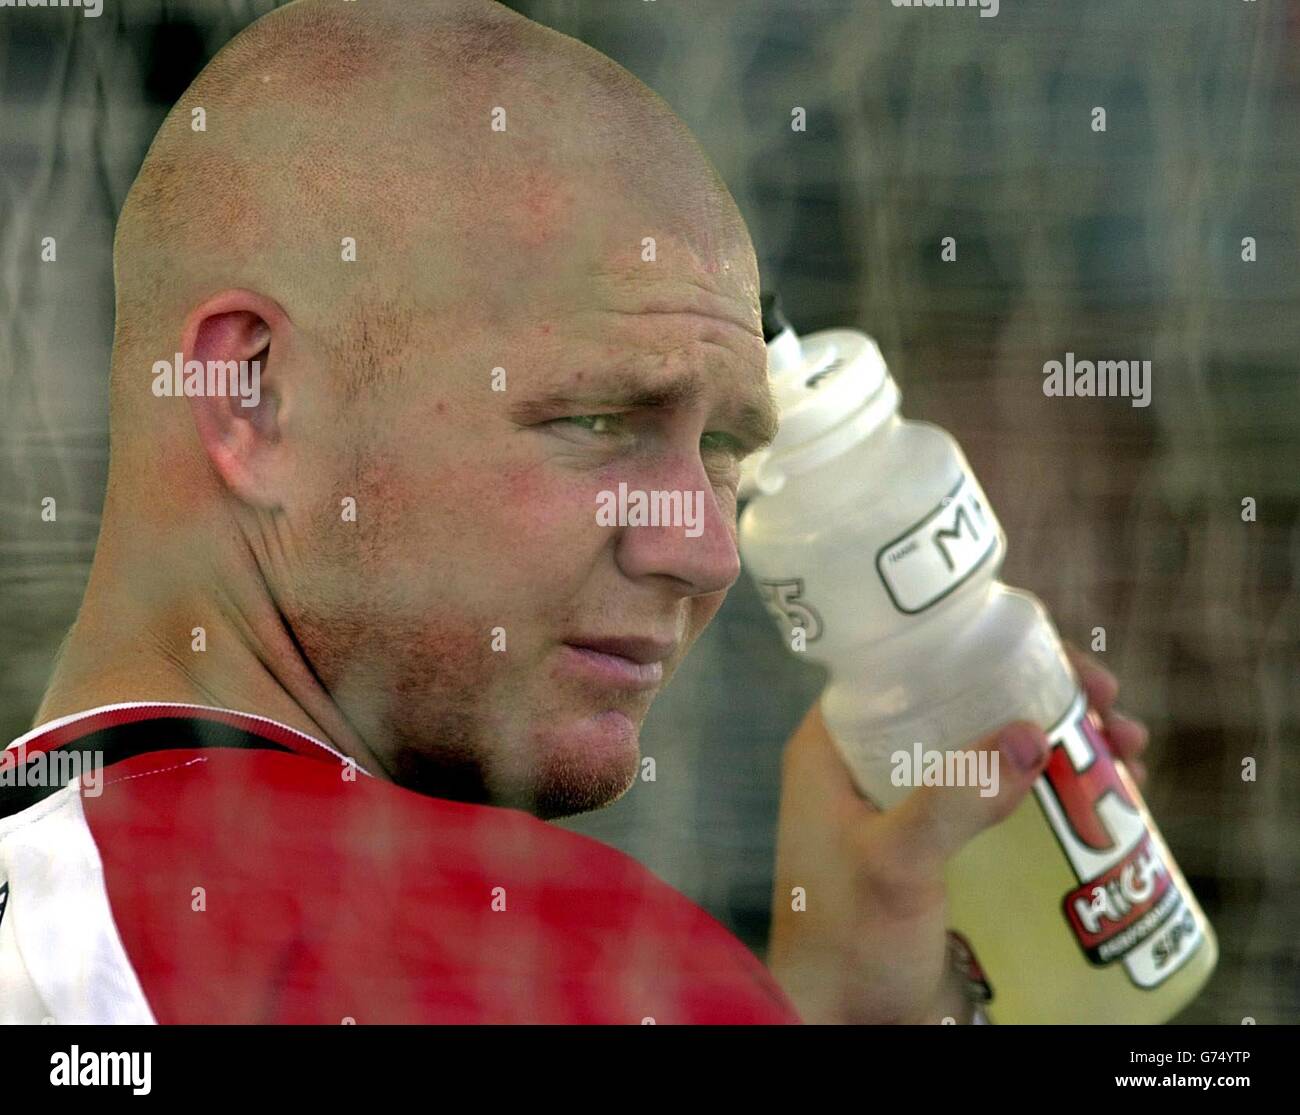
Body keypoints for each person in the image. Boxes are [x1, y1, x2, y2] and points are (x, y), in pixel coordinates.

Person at [0, 0, 1150, 1024]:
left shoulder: (77, 895)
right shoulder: (531, 948)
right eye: (599, 419)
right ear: (251, 395)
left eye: (726, 448)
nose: (706, 549)